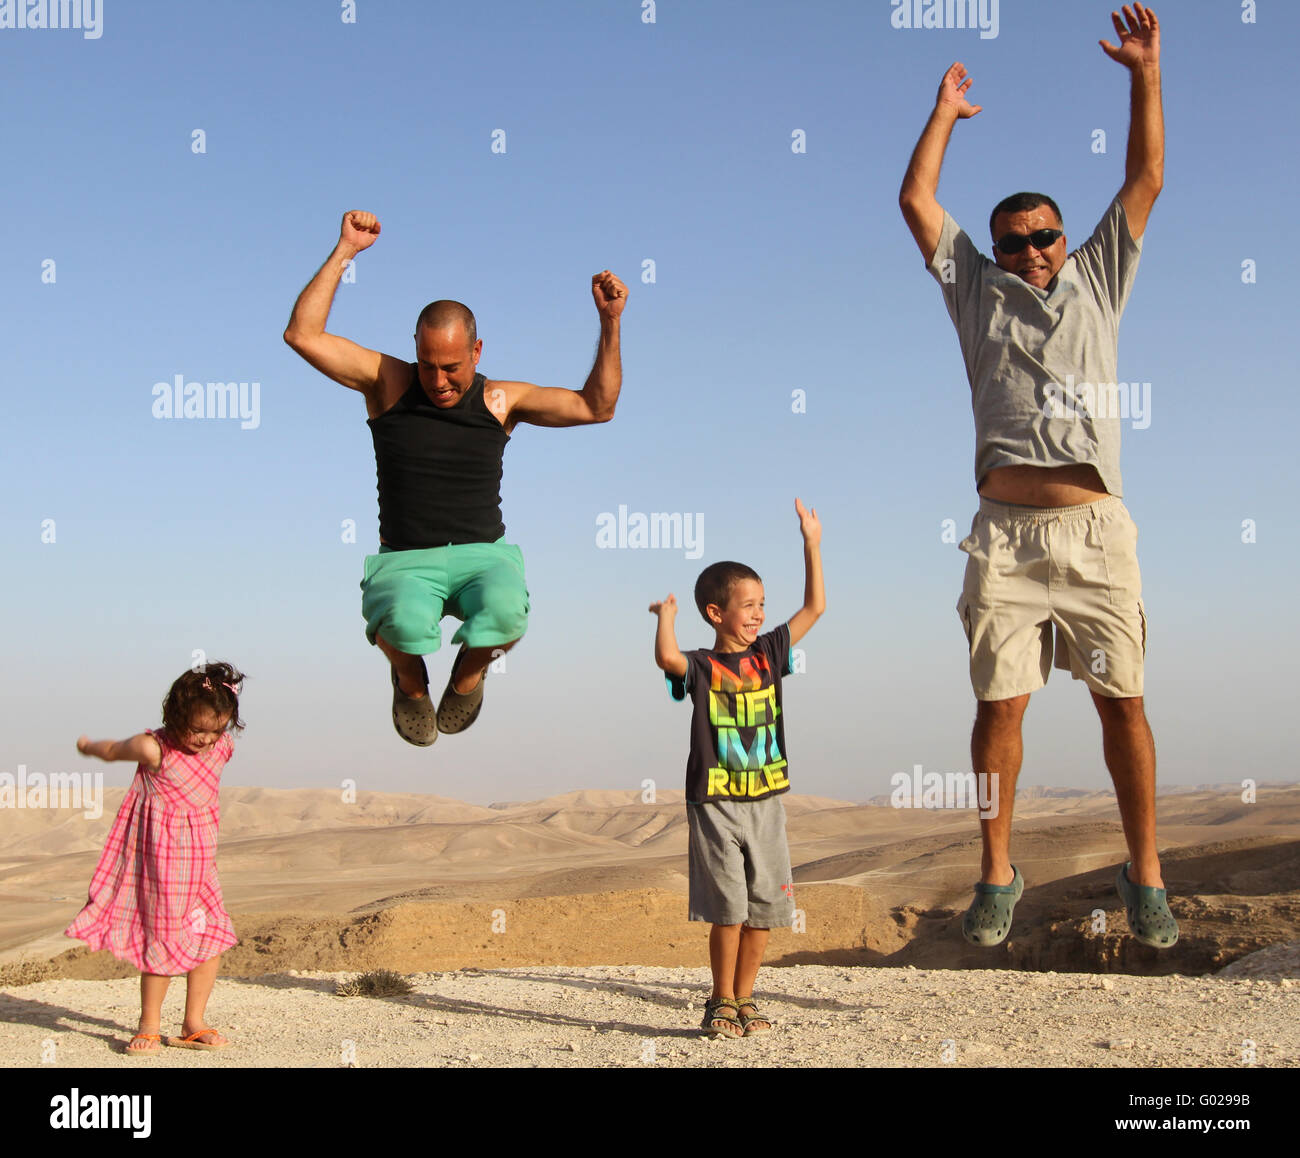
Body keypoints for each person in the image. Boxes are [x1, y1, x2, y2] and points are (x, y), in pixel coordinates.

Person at [898, 5, 1176, 948]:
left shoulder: (1099, 277)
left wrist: (1143, 72)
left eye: (1043, 236)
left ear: (1065, 238)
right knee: (996, 708)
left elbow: (1145, 176)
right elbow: (915, 205)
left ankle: (1145, 871)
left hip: (1095, 529)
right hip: (1004, 534)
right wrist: (941, 114)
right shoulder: (975, 289)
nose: (1031, 252)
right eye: (1014, 240)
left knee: (1123, 702)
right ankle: (996, 870)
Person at [284, 210, 627, 747]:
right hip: (405, 558)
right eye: (427, 364)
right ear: (414, 351)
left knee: (508, 612)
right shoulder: (388, 382)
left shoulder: (500, 400)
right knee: (399, 622)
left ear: (477, 351)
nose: (439, 381)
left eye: (451, 367)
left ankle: (468, 675)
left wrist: (610, 324)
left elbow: (596, 406)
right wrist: (345, 251)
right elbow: (302, 334)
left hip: (482, 556)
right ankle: (409, 679)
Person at [650, 499, 825, 1037]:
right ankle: (720, 999)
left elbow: (814, 608)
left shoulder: (771, 653)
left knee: (766, 907)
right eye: (747, 605)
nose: (758, 614)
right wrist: (666, 619)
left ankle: (747, 998)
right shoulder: (702, 665)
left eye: (762, 604)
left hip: (767, 801)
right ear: (715, 613)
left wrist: (811, 543)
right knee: (727, 908)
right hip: (715, 802)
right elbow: (667, 661)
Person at [66, 663, 245, 1054]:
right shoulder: (155, 748)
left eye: (216, 729)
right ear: (176, 716)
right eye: (198, 729)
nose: (206, 738)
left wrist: (215, 736)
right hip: (161, 868)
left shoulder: (222, 748)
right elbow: (114, 751)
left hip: (200, 868)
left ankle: (192, 1023)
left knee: (210, 939)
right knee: (162, 942)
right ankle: (149, 1025)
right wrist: (89, 747)